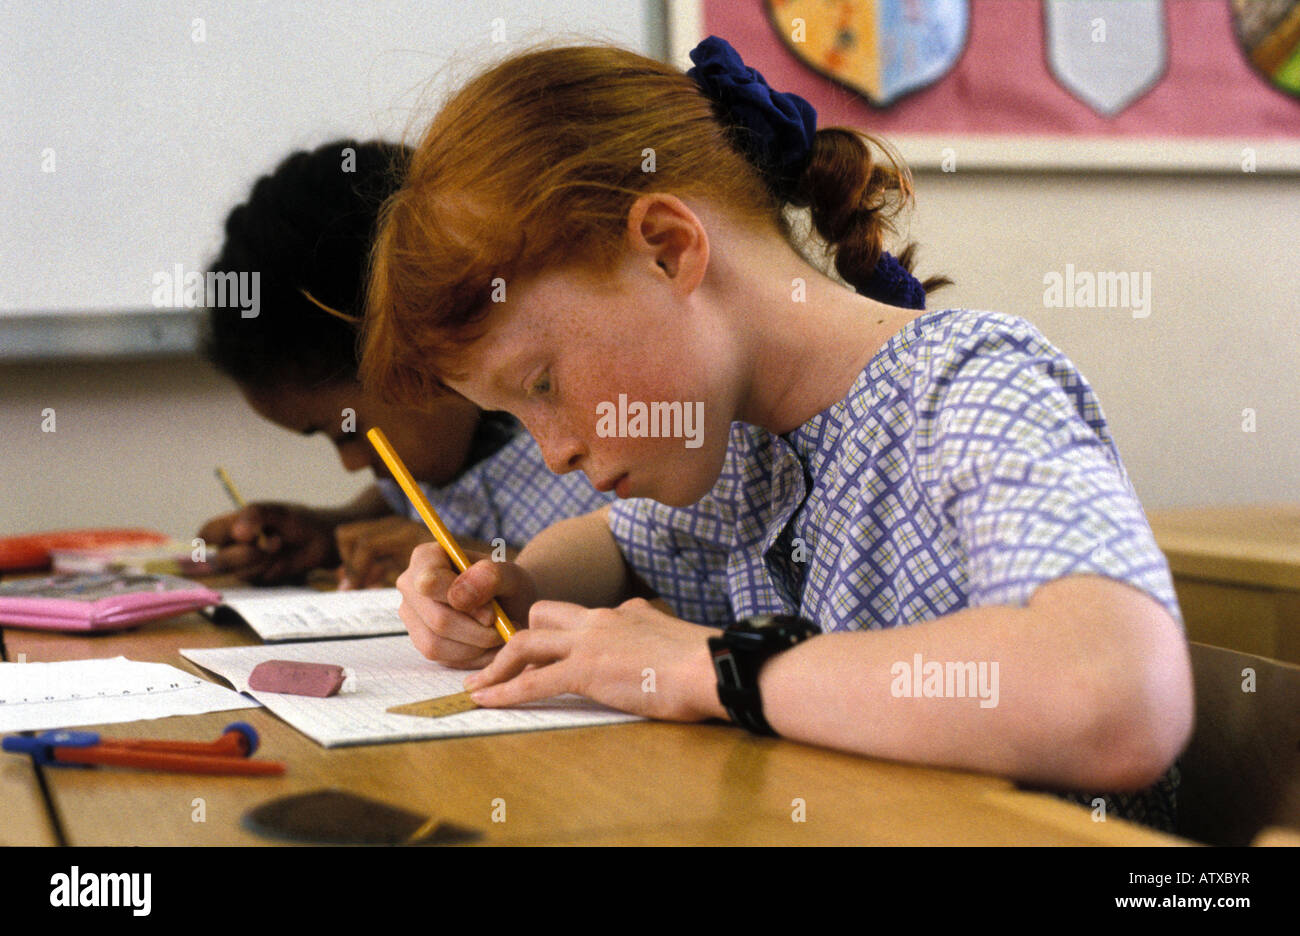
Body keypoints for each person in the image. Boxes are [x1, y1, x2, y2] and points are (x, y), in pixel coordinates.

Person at [360, 39, 1193, 829]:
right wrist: (515, 585)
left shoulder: (965, 387)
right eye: (515, 416)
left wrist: (709, 669)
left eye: (543, 384)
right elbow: (621, 547)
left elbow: (1117, 697)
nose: (553, 450)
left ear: (668, 248)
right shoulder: (738, 447)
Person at [199, 139, 611, 587]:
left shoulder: (602, 433)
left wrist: (473, 566)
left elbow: (654, 580)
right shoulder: (443, 448)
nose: (352, 464)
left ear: (413, 341)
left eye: (349, 433)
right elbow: (419, 499)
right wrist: (329, 531)